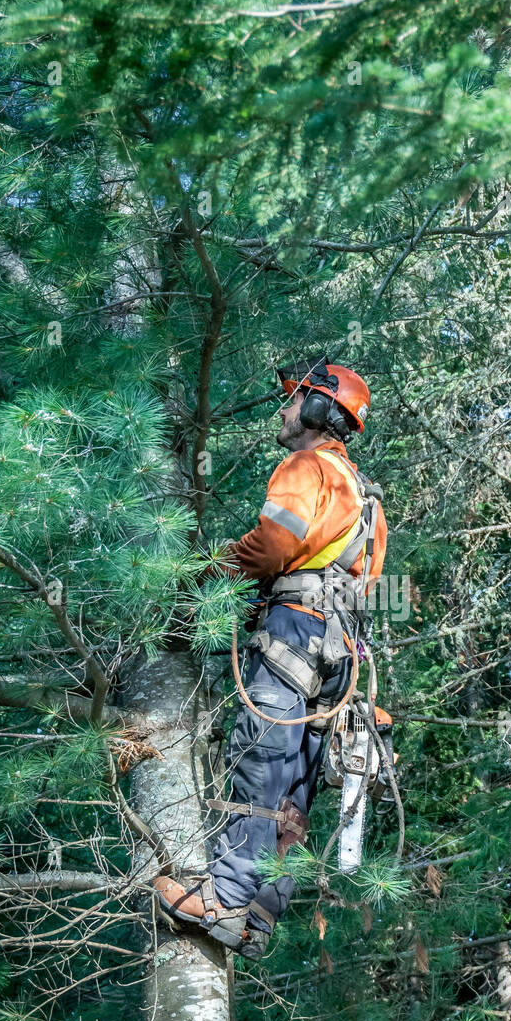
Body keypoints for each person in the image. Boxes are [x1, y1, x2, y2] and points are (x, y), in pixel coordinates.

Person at [154, 356, 388, 959]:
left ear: (316, 410)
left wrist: (207, 574)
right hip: (338, 658)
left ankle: (225, 900)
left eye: (294, 401)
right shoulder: (367, 500)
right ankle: (261, 912)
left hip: (292, 633)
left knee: (258, 758)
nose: (284, 412)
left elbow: (273, 545)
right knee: (296, 787)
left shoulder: (306, 467)